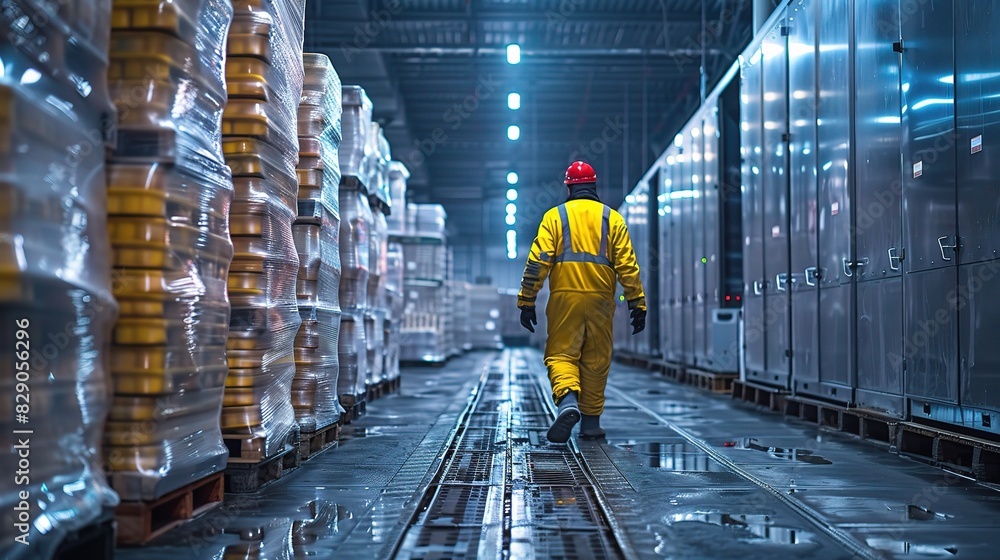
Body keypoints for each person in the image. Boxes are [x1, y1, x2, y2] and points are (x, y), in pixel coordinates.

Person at [517, 161, 646, 443]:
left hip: (566, 298)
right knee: (596, 360)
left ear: (568, 186)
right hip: (601, 299)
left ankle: (567, 402)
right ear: (594, 185)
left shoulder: (555, 216)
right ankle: (591, 425)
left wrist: (527, 299)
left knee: (562, 354)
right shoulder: (613, 219)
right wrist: (637, 303)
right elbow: (628, 265)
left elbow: (537, 262)